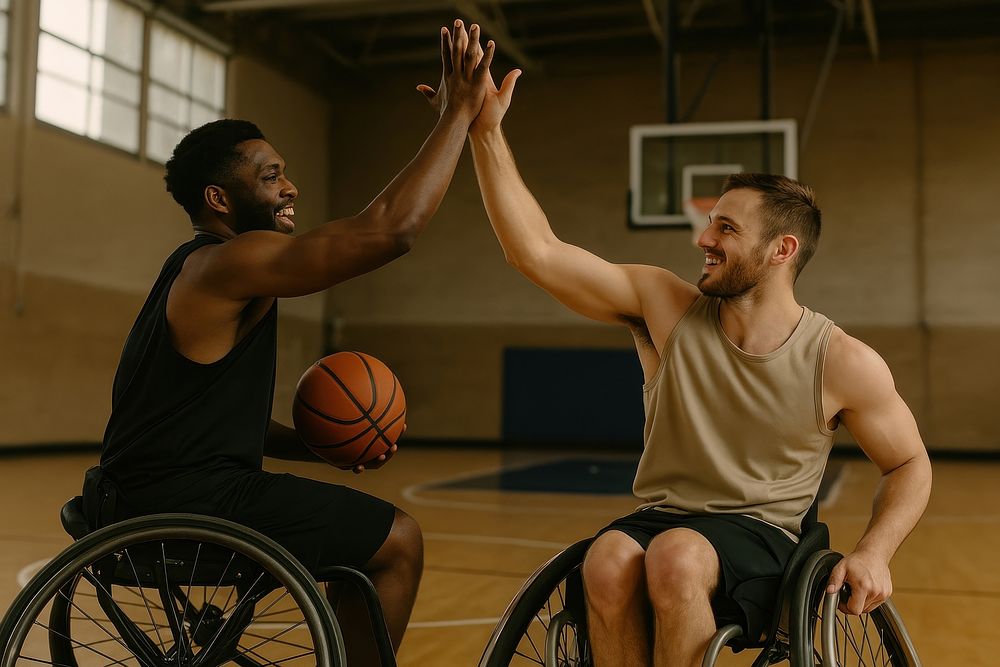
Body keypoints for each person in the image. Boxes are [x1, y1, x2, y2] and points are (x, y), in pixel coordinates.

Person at [464, 68, 932, 666]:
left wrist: (875, 551)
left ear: (781, 250)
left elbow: (909, 463)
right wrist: (485, 133)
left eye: (726, 228)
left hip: (767, 539)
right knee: (606, 560)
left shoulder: (840, 359)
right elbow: (536, 252)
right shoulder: (665, 306)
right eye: (710, 222)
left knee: (677, 557)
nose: (703, 238)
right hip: (663, 518)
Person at [87, 20, 495, 666]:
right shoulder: (231, 262)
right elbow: (392, 230)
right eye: (271, 176)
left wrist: (318, 444)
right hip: (186, 505)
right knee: (397, 540)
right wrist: (460, 114)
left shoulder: (195, 267)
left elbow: (201, 425)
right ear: (219, 198)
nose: (291, 188)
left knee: (350, 534)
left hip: (140, 493)